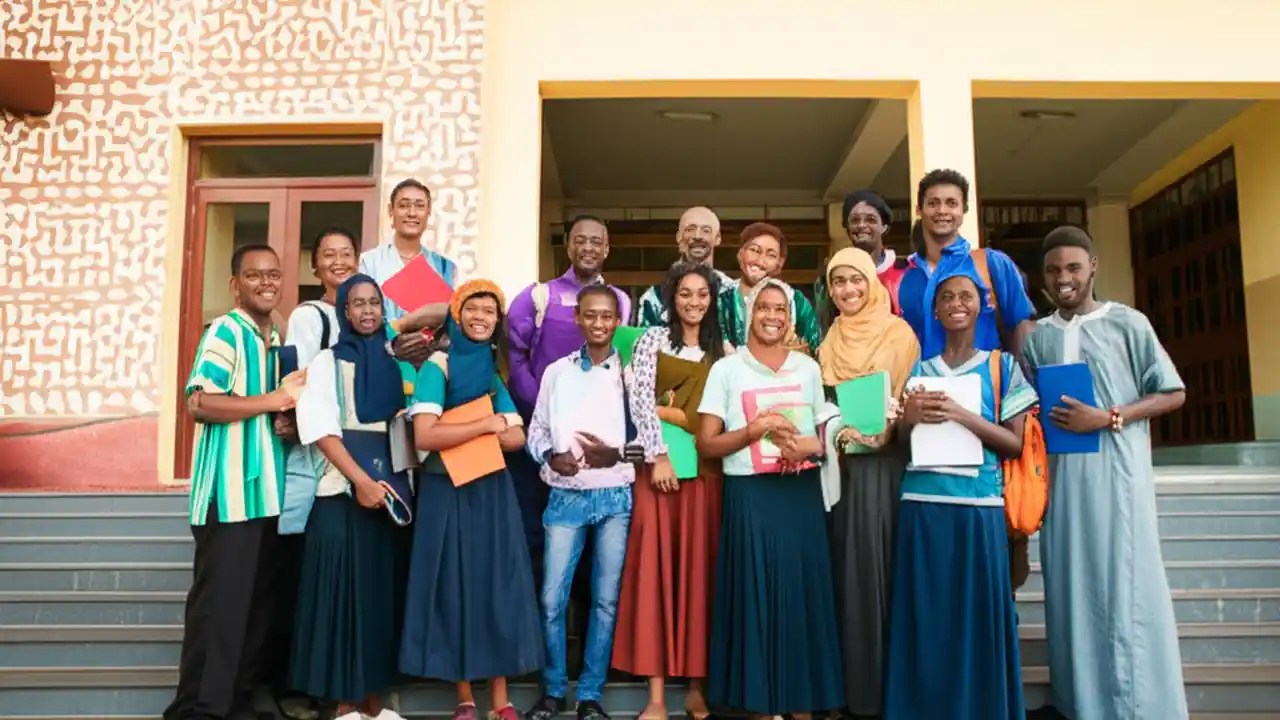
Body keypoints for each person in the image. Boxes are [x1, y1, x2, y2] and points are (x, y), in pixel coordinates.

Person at [1024, 226, 1189, 720]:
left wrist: (1110, 416)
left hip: (1118, 480)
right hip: (1065, 484)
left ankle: (1140, 705)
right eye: (1054, 271)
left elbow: (1173, 391)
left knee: (1125, 588)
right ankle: (1082, 704)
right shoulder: (1040, 338)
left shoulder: (1128, 324)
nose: (1064, 278)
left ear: (1093, 265)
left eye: (1073, 267)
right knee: (1072, 590)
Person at [883, 265, 1036, 720]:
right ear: (934, 309)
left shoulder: (1001, 366)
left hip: (977, 508)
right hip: (923, 506)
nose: (955, 304)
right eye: (946, 297)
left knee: (975, 620)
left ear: (983, 306)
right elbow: (900, 447)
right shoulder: (920, 371)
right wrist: (908, 418)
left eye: (965, 296)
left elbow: (1013, 444)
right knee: (927, 619)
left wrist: (960, 413)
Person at [165, 244, 305, 720]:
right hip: (228, 500)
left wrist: (283, 417)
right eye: (254, 275)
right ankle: (198, 710)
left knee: (251, 613)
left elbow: (264, 410)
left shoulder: (269, 339)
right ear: (235, 284)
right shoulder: (226, 330)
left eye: (273, 275)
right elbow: (200, 402)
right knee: (220, 613)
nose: (266, 282)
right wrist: (272, 400)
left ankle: (236, 704)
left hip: (263, 497)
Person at [697, 279, 844, 718]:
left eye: (780, 308)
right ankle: (761, 709)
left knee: (800, 601)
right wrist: (752, 431)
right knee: (756, 601)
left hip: (798, 495)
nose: (772, 316)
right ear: (748, 313)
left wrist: (815, 447)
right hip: (751, 496)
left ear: (791, 316)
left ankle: (801, 707)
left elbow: (823, 432)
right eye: (763, 307)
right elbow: (707, 444)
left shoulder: (808, 368)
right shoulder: (726, 370)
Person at [399, 280, 544, 720]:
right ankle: (464, 696)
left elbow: (517, 437)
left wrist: (473, 425)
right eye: (473, 309)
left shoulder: (490, 368)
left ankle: (501, 700)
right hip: (447, 491)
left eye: (490, 312)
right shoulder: (436, 366)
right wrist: (485, 424)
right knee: (455, 585)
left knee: (493, 585)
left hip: (491, 490)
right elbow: (425, 434)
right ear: (456, 315)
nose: (481, 318)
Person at [524, 286, 666, 720]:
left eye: (608, 317)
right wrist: (551, 456)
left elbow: (653, 437)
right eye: (591, 316)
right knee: (552, 599)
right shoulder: (556, 372)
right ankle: (552, 691)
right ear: (579, 320)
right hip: (565, 495)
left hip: (615, 495)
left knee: (605, 601)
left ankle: (590, 695)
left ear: (617, 321)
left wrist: (618, 453)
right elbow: (536, 433)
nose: (600, 323)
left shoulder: (631, 373)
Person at [613, 263, 730, 720]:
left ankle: (697, 689)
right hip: (660, 474)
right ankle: (657, 697)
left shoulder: (727, 351)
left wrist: (676, 414)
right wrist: (658, 453)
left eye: (702, 294)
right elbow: (641, 401)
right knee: (655, 577)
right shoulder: (651, 340)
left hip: (705, 475)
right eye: (685, 293)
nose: (694, 302)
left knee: (700, 577)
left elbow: (721, 417)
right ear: (671, 296)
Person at [290, 274, 408, 720]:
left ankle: (373, 708)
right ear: (343, 311)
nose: (366, 311)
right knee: (342, 601)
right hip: (341, 496)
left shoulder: (395, 362)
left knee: (376, 599)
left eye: (374, 302)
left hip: (387, 498)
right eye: (356, 303)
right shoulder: (327, 361)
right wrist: (360, 481)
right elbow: (321, 429)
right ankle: (343, 709)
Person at [815, 247, 919, 719]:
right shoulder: (828, 340)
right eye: (838, 282)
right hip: (842, 470)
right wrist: (839, 428)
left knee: (884, 571)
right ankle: (855, 690)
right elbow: (823, 404)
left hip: (886, 466)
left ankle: (891, 692)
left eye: (856, 280)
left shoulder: (899, 334)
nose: (848, 290)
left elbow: (909, 397)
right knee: (849, 574)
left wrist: (889, 428)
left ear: (872, 283)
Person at [506, 215, 632, 575]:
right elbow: (516, 358)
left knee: (599, 548)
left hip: (601, 448)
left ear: (607, 248)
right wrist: (547, 418)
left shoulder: (621, 302)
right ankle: (540, 622)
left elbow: (621, 366)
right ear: (568, 245)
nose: (588, 247)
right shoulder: (537, 296)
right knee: (539, 531)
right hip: (545, 437)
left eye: (596, 241)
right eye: (581, 240)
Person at [269, 226, 359, 719]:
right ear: (316, 267)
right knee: (301, 564)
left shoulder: (362, 310)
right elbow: (299, 380)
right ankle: (299, 683)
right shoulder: (311, 316)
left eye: (347, 254)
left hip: (346, 454)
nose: (339, 261)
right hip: (317, 450)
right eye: (329, 255)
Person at [898, 169, 1036, 361]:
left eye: (952, 203)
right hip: (927, 388)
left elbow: (1021, 326)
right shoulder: (908, 279)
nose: (942, 211)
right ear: (919, 210)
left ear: (964, 209)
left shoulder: (991, 264)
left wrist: (1017, 383)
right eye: (933, 203)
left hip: (986, 386)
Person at [358, 178, 456, 385]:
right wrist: (393, 342)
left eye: (420, 206)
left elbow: (451, 319)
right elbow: (360, 316)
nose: (412, 213)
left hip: (431, 368)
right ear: (390, 211)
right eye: (404, 205)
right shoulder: (369, 261)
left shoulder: (445, 267)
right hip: (381, 364)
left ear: (428, 214)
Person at [720, 222, 822, 353]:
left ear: (780, 263)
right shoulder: (721, 298)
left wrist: (802, 351)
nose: (760, 260)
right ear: (740, 254)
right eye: (754, 250)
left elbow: (816, 348)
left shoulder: (796, 301)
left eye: (771, 255)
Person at [815, 190, 909, 323]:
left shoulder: (905, 271)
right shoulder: (834, 274)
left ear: (884, 226)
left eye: (870, 219)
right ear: (847, 228)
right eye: (854, 220)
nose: (861, 225)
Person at [636, 206, 734, 327]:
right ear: (678, 237)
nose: (698, 236)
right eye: (690, 229)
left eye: (706, 230)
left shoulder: (731, 293)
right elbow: (644, 343)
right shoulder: (655, 297)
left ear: (718, 238)